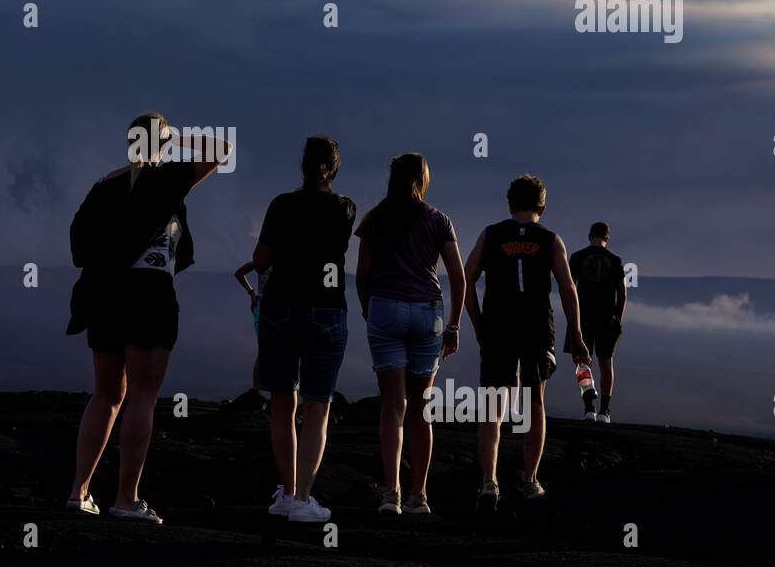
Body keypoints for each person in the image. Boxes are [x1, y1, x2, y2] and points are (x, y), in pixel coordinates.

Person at [66, 112, 232, 524]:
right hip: (149, 295)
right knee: (141, 396)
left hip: (104, 295)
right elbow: (222, 150)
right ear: (161, 140)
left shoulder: (104, 184)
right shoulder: (169, 176)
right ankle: (126, 499)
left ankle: (79, 491)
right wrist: (175, 136)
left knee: (105, 395)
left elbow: (78, 246)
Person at [463, 174, 589, 515]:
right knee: (535, 401)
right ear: (542, 207)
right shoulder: (550, 240)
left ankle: (489, 481)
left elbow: (466, 278)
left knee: (492, 405)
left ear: (509, 204)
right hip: (536, 328)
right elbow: (567, 288)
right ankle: (530, 480)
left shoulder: (490, 235)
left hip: (498, 327)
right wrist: (576, 335)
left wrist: (477, 325)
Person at [354, 153, 465, 516]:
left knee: (392, 406)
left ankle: (391, 493)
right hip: (428, 313)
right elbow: (458, 277)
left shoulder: (375, 218)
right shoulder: (438, 220)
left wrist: (369, 309)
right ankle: (420, 495)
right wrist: (453, 326)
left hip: (385, 306)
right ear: (423, 179)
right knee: (421, 407)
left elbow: (362, 272)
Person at [252, 136, 355, 523]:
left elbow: (261, 258)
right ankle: (303, 498)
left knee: (282, 402)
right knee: (317, 406)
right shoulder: (345, 207)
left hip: (280, 307)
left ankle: (287, 492)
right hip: (327, 310)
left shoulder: (281, 205)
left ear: (302, 166)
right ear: (335, 168)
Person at [569, 222, 627, 423]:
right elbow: (622, 293)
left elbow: (569, 289)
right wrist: (617, 318)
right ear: (607, 238)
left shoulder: (577, 258)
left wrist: (572, 318)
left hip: (583, 317)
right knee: (606, 361)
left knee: (582, 362)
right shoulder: (616, 260)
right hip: (606, 318)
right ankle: (604, 411)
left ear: (589, 236)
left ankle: (588, 408)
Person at [234, 260, 271, 388]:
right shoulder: (262, 261)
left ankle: (261, 392)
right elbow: (239, 273)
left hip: (271, 309)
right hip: (263, 309)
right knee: (264, 351)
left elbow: (239, 273)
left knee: (267, 351)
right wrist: (251, 293)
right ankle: (257, 390)